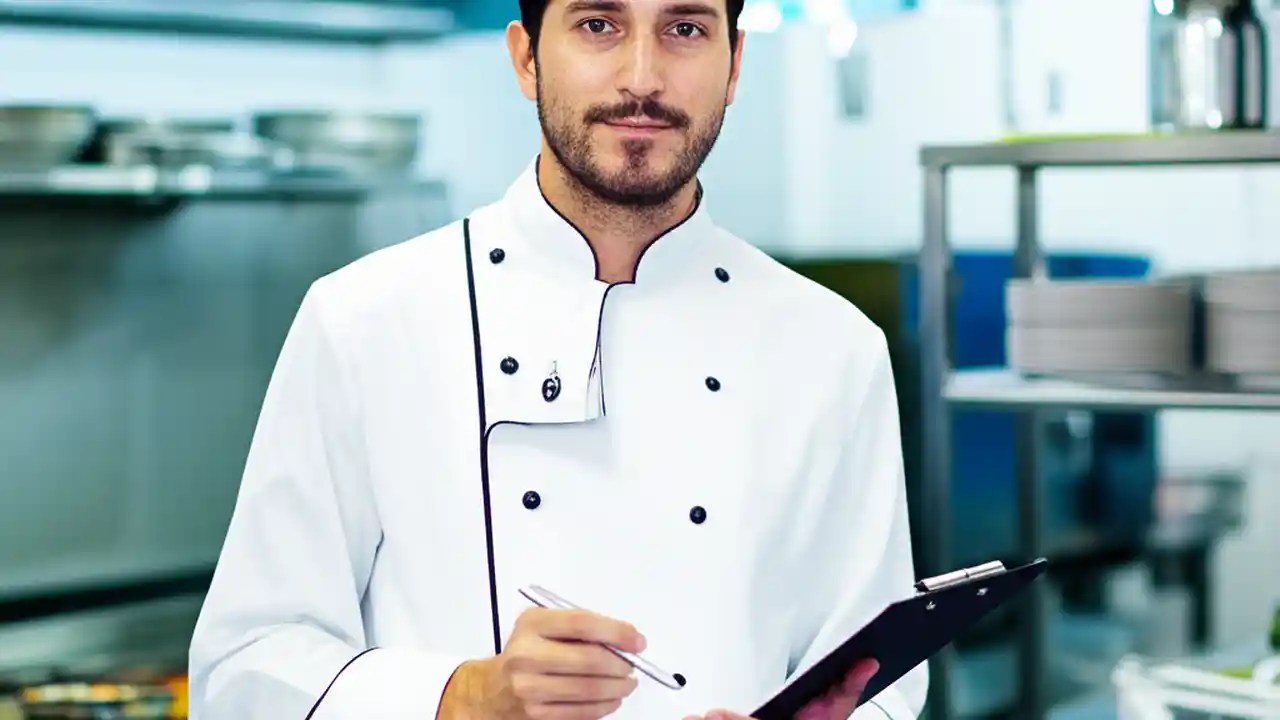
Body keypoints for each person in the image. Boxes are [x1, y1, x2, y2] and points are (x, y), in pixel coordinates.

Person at [186, 0, 929, 718]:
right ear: (526, 58)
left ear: (733, 64)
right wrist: (460, 698)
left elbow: (881, 681)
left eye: (685, 28)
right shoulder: (365, 320)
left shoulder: (834, 349)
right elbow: (246, 667)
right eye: (598, 24)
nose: (643, 76)